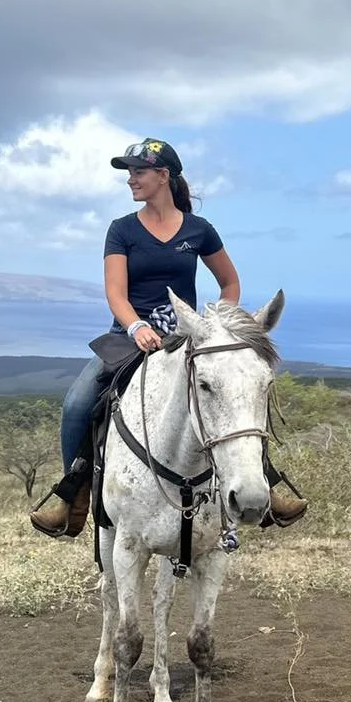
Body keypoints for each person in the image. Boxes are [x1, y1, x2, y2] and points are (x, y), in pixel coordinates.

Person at [29, 138, 306, 537]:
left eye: (138, 171)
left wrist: (218, 323)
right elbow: (116, 294)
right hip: (127, 339)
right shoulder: (122, 229)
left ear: (163, 177)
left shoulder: (198, 230)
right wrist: (137, 326)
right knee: (77, 403)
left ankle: (262, 485)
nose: (131, 180)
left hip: (183, 339)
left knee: (233, 395)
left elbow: (229, 282)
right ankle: (73, 495)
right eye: (129, 172)